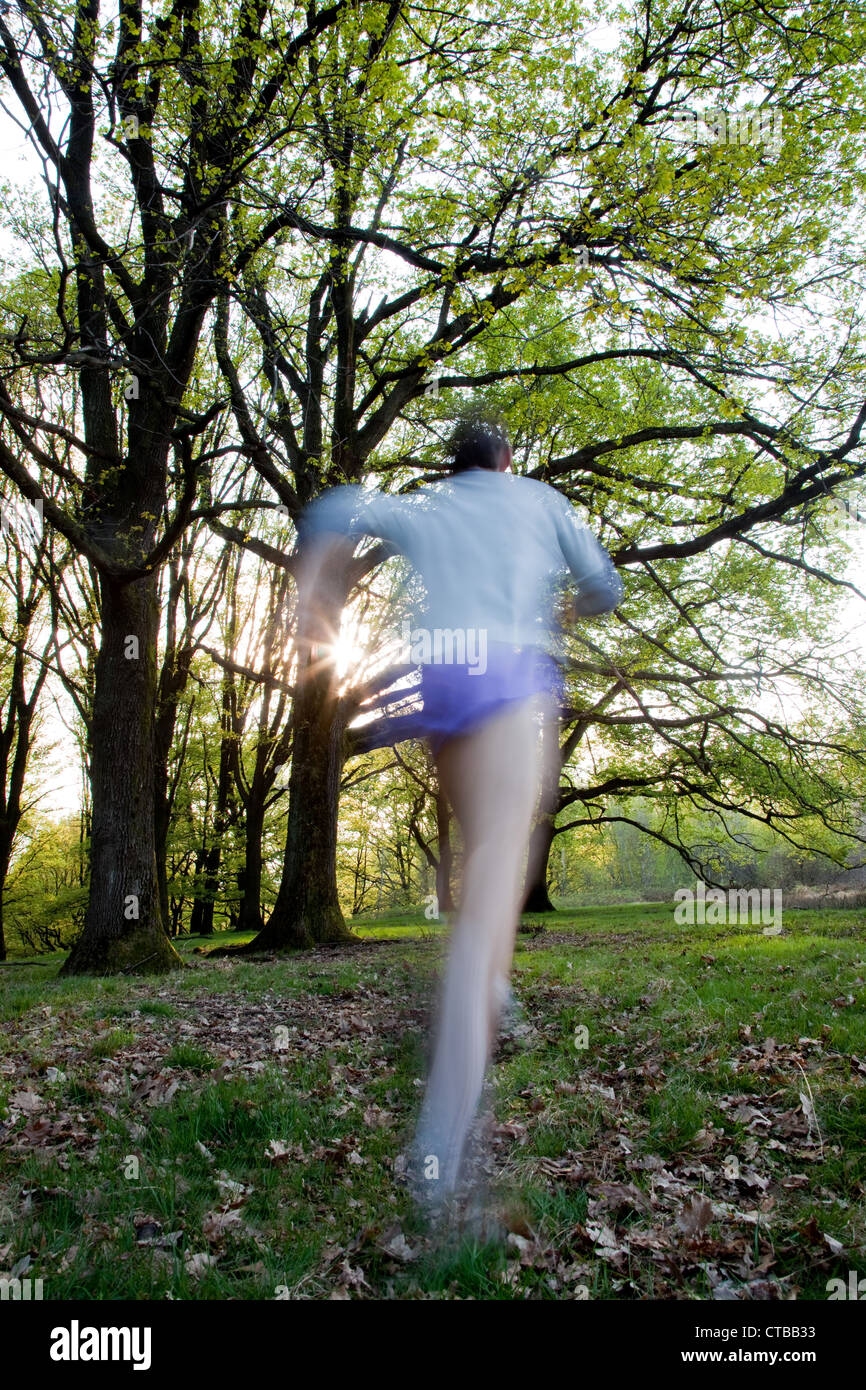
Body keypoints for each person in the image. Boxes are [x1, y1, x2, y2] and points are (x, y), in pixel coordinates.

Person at [294, 416, 623, 1215]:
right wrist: (575, 604)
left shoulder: (429, 506)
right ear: (509, 460)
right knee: (487, 907)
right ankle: (438, 1148)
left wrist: (311, 600)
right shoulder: (540, 500)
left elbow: (335, 509)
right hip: (510, 683)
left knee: (487, 860)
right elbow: (606, 586)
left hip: (442, 688)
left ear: (456, 462)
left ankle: (496, 984)